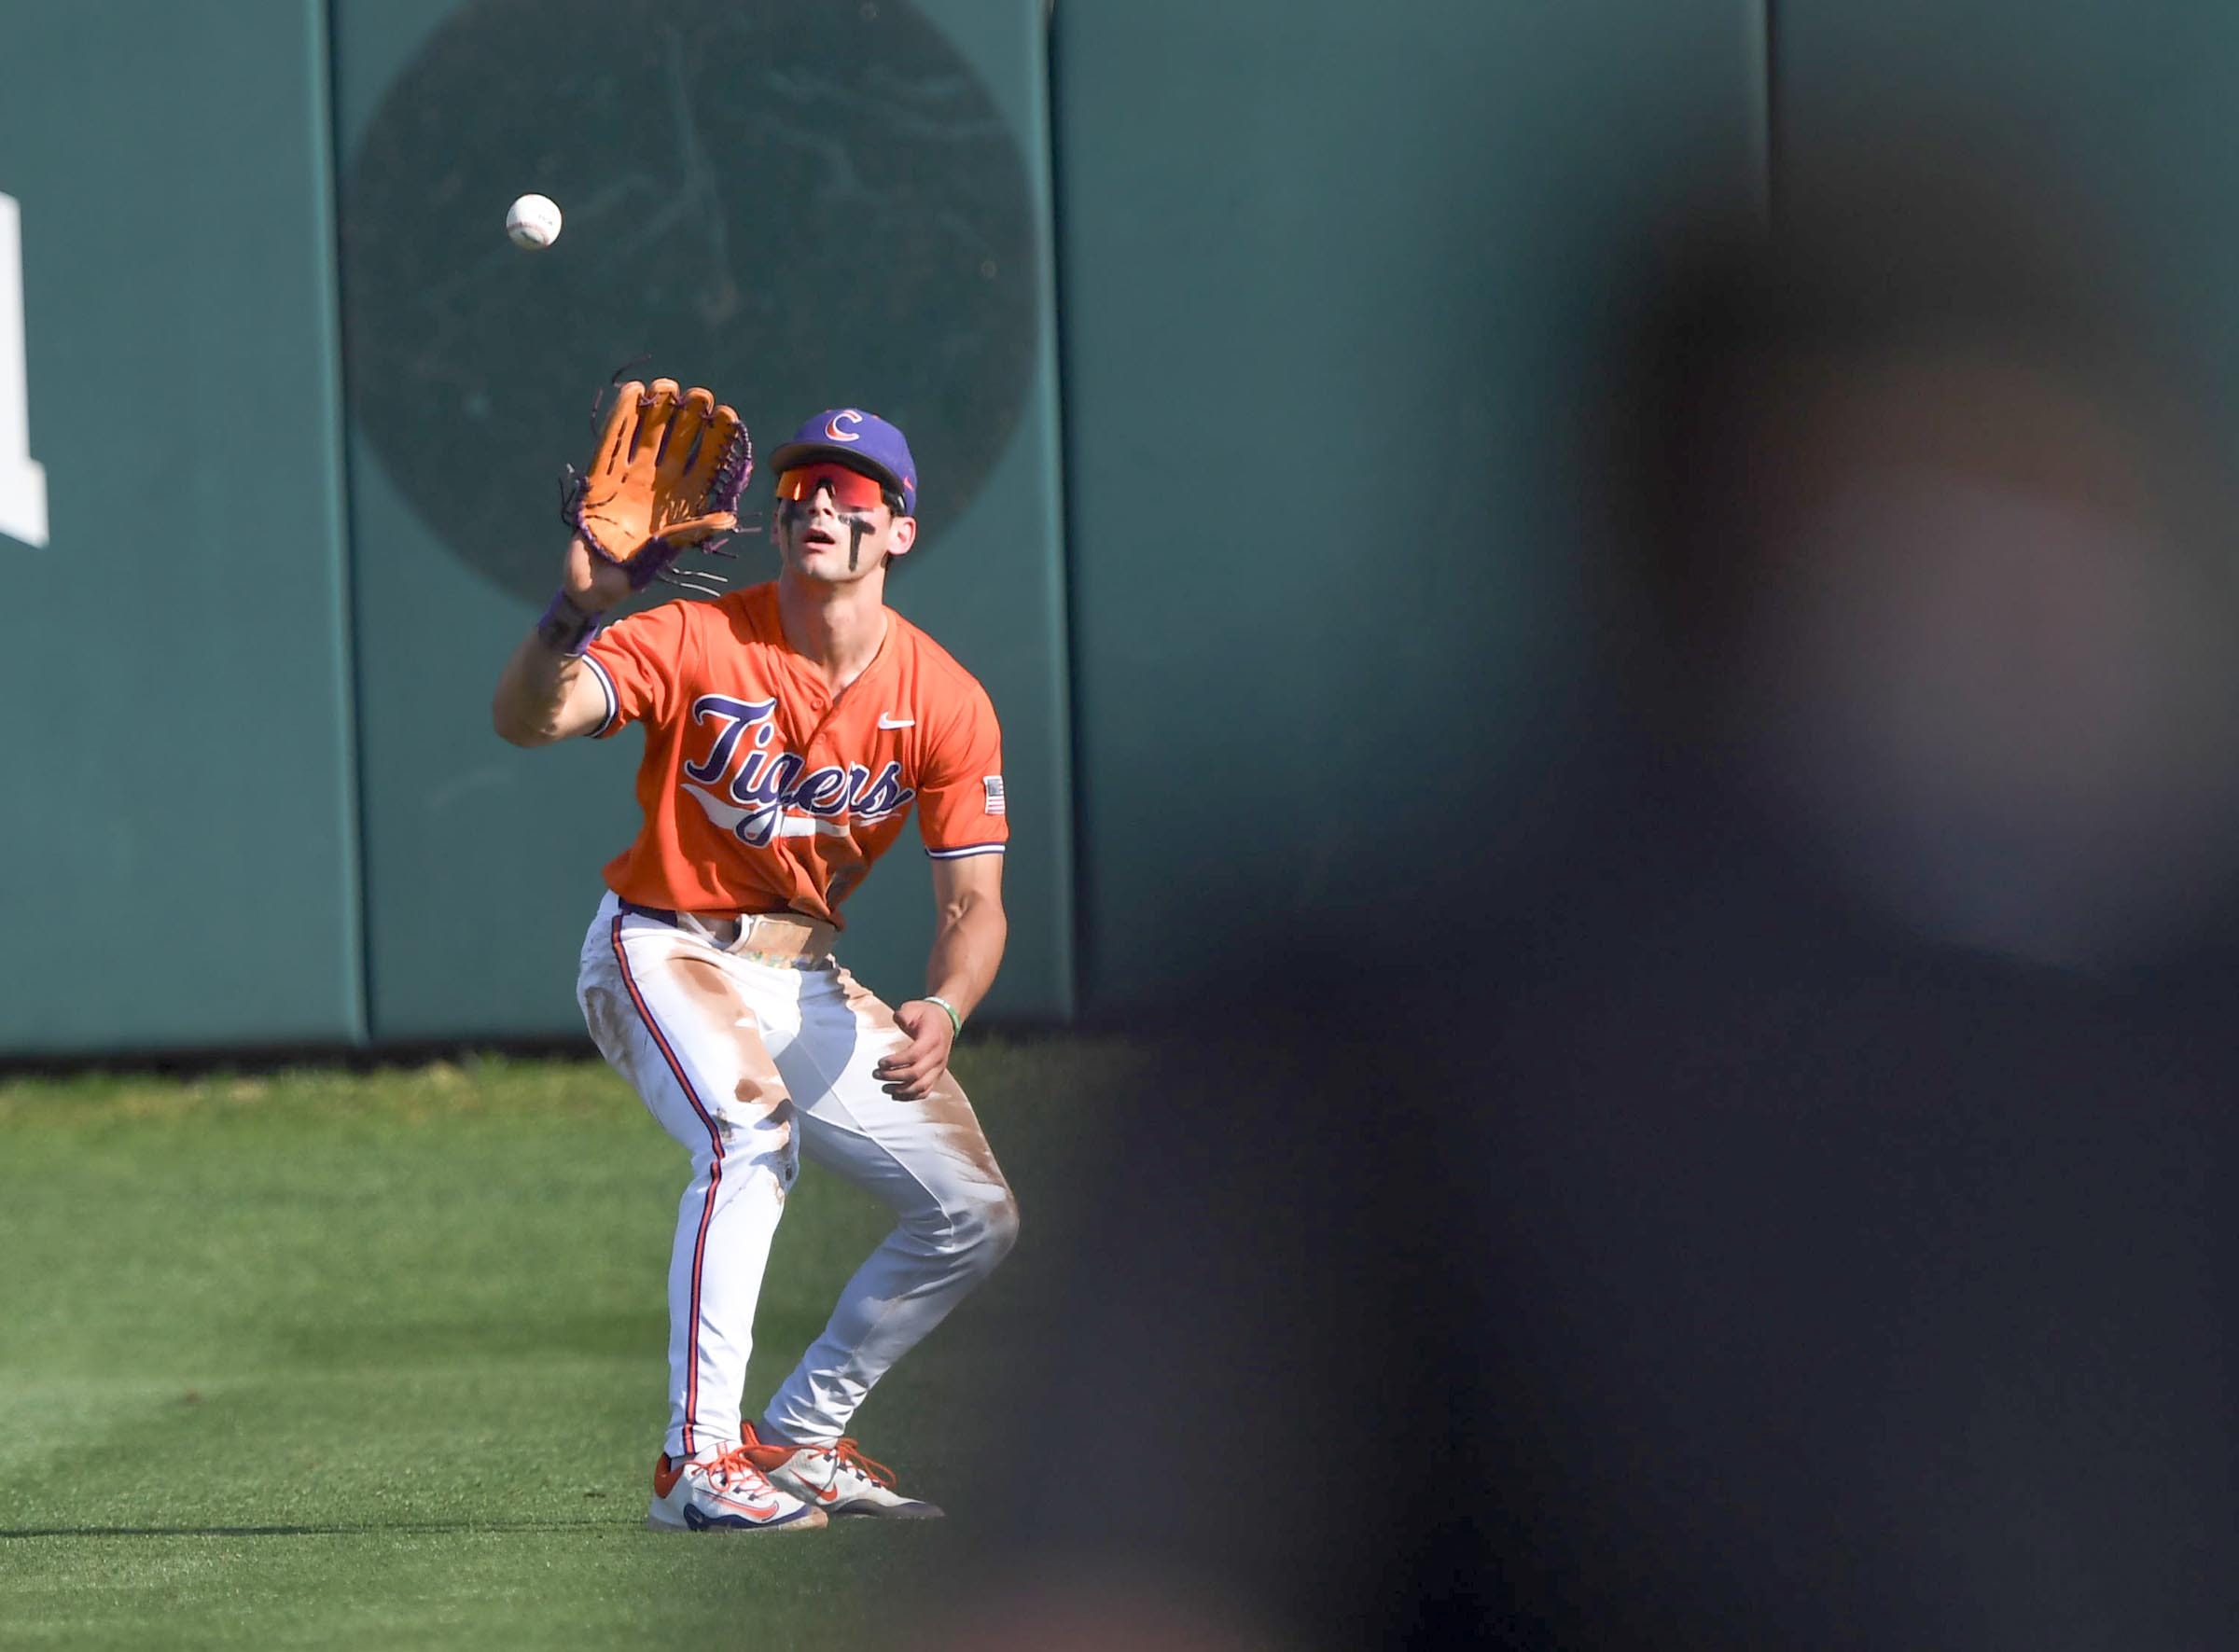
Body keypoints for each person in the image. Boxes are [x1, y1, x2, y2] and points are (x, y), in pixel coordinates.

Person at [492, 392, 1020, 1534]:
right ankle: (695, 1463)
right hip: (665, 940)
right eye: (803, 487)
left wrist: (946, 1000)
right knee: (750, 1135)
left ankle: (801, 1436)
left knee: (972, 1215)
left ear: (900, 530)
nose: (822, 500)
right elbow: (529, 719)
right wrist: (570, 616)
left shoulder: (943, 698)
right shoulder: (695, 637)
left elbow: (975, 902)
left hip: (802, 978)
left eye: (855, 488)